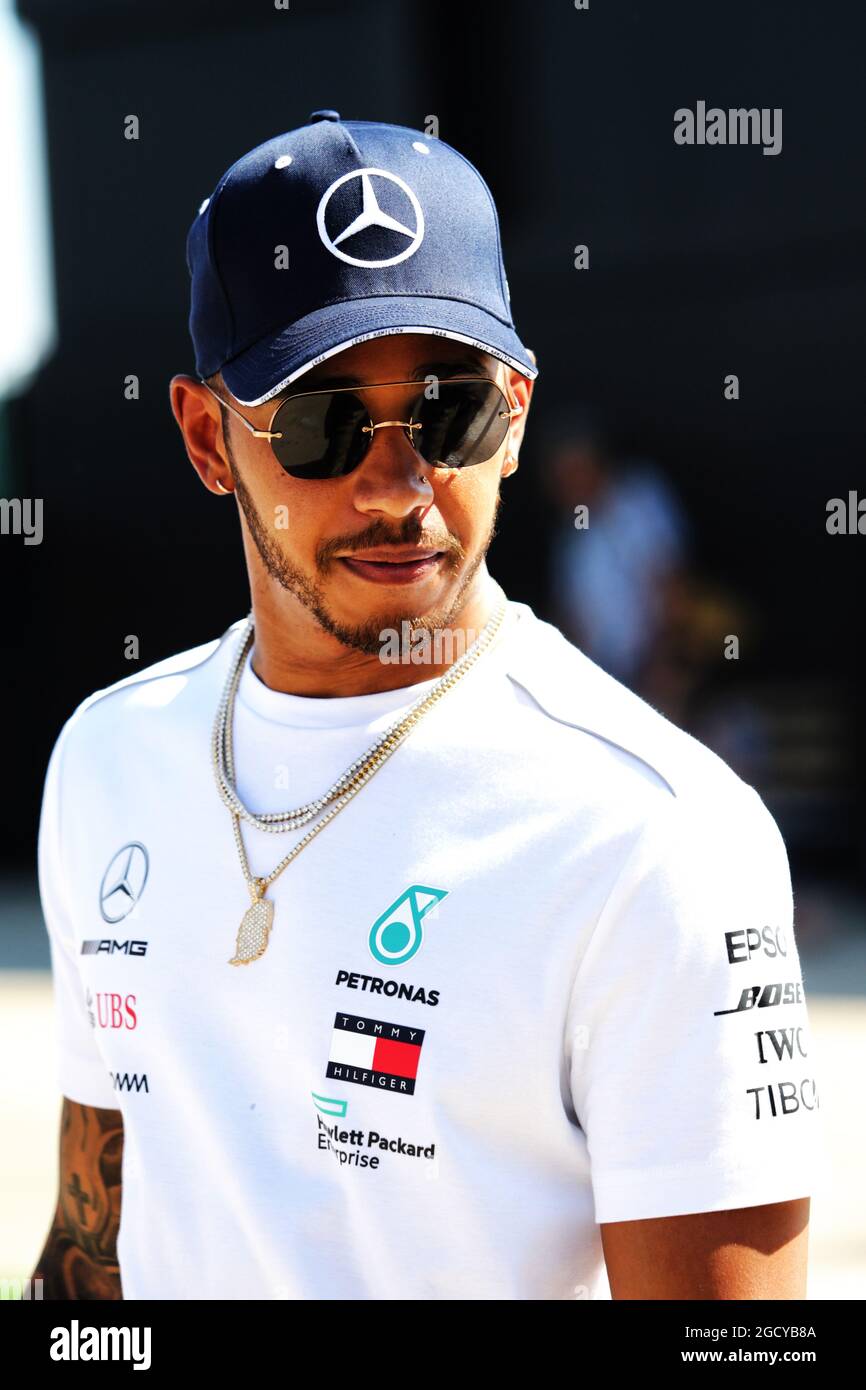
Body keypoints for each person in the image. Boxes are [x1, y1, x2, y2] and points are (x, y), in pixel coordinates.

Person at [32, 111, 827, 1301]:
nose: (398, 484)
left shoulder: (657, 836)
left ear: (511, 414)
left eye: (450, 410)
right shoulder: (108, 758)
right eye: (320, 421)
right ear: (207, 438)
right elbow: (94, 1250)